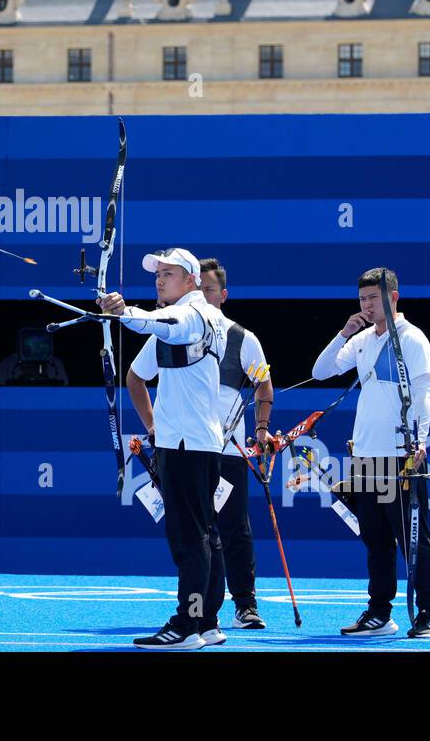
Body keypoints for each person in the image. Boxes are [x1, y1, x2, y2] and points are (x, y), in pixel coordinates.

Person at [311, 267, 430, 638]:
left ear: (393, 297)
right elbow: (321, 372)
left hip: (401, 456)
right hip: (366, 455)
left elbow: (423, 393)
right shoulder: (364, 339)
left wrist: (420, 440)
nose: (367, 305)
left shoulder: (413, 339)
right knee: (376, 539)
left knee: (413, 539)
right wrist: (343, 334)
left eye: (373, 298)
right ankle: (380, 614)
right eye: (363, 299)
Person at [117, 248, 232, 649]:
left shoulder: (194, 314)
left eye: (168, 274)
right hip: (182, 441)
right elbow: (136, 375)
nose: (159, 280)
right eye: (157, 274)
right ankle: (208, 621)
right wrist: (153, 426)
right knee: (204, 533)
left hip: (188, 444)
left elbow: (166, 320)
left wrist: (124, 312)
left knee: (190, 536)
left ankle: (188, 623)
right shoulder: (176, 323)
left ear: (191, 281)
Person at [198, 258, 273, 629]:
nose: (203, 295)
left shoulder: (243, 338)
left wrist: (260, 429)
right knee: (194, 530)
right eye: (198, 288)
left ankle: (245, 604)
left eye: (209, 289)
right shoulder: (177, 332)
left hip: (228, 452)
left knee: (233, 526)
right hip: (190, 450)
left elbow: (263, 385)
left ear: (223, 295)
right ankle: (199, 607)